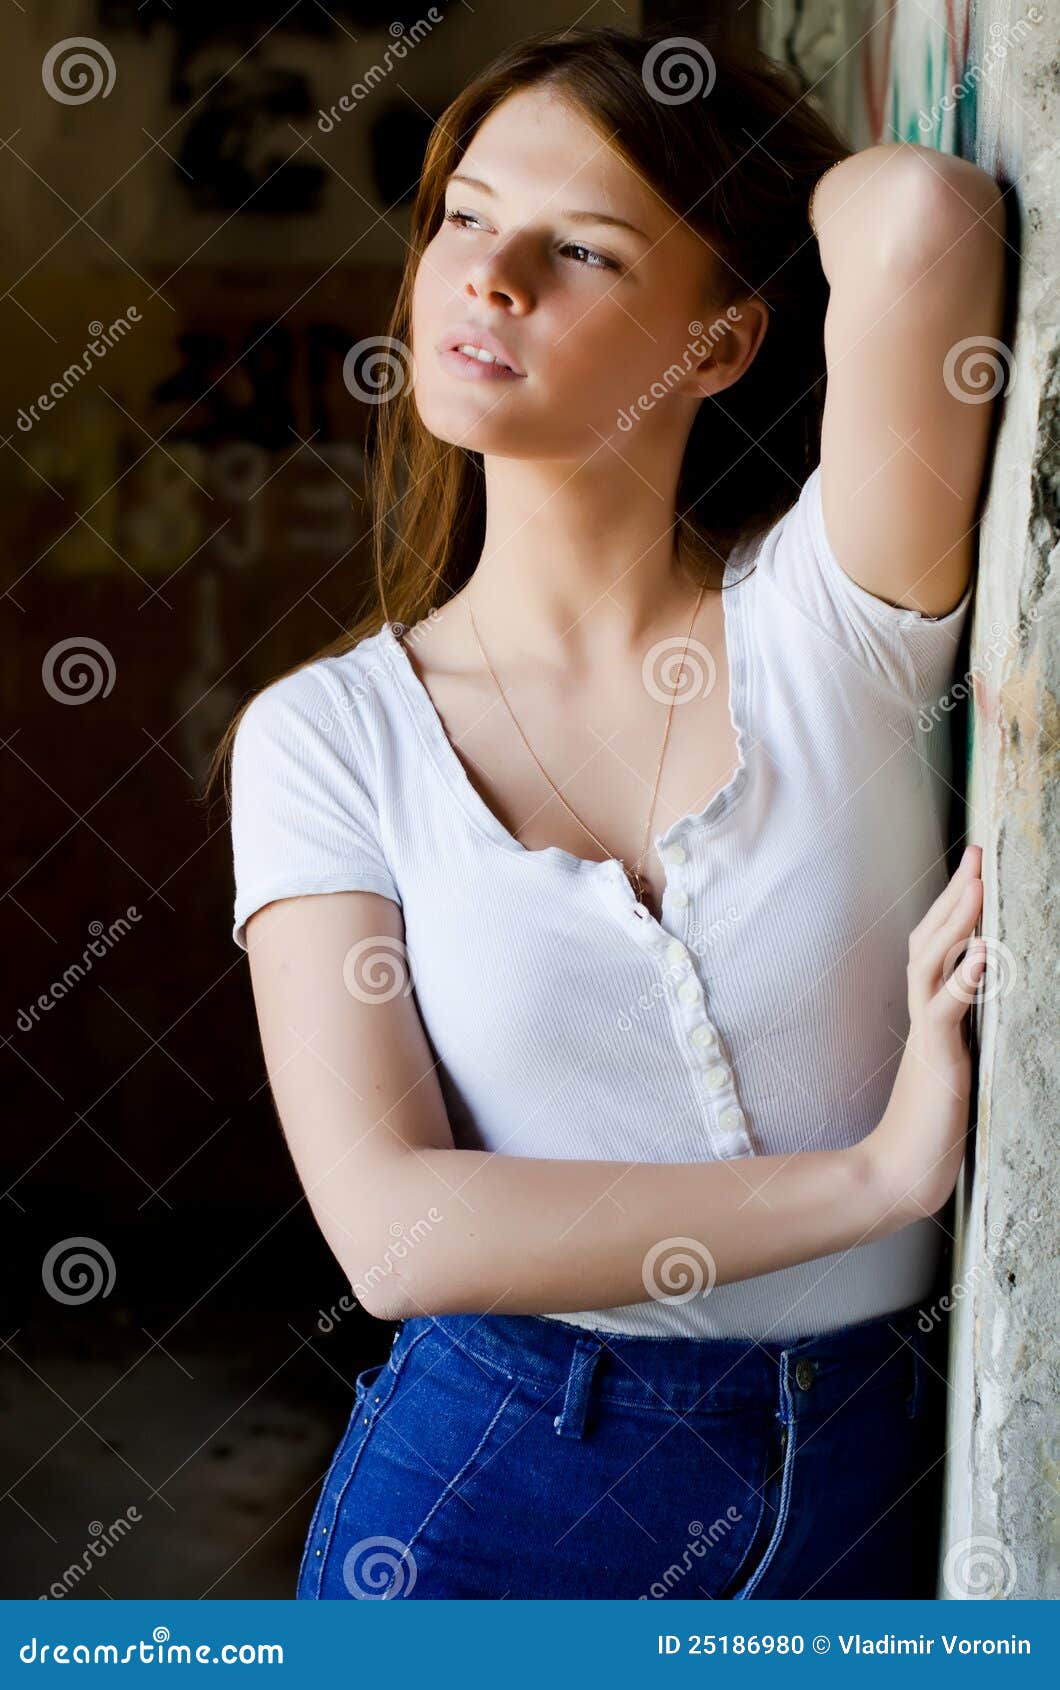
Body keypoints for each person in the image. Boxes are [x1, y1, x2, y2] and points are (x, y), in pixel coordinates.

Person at [208, 25, 1006, 1599]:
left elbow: (921, 218)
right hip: (499, 1489)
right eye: (460, 219)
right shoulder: (327, 739)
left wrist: (749, 186)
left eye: (578, 250)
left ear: (716, 344)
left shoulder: (833, 622)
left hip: (869, 1477)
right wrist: (877, 1175)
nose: (488, 276)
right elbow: (395, 1233)